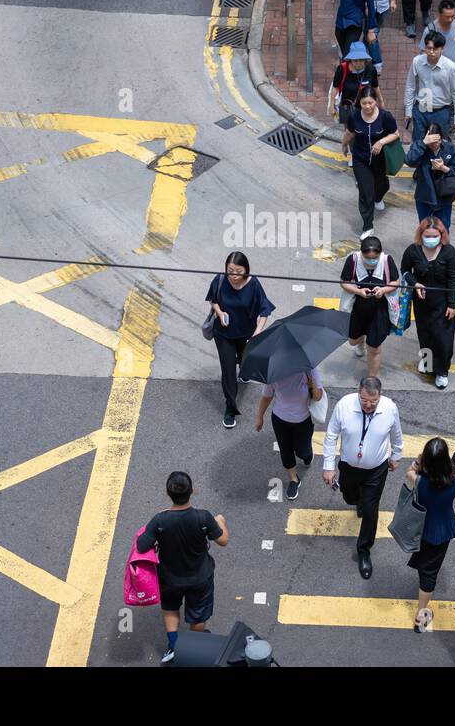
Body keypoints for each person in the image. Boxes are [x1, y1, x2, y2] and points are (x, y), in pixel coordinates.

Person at [136, 471, 229, 665]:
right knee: (199, 614)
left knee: (170, 609)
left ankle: (173, 647)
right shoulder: (204, 518)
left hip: (169, 578)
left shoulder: (159, 520)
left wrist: (156, 526)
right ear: (192, 490)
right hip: (200, 577)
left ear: (167, 493)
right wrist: (221, 522)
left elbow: (142, 546)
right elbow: (223, 540)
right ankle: (193, 650)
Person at [322, 376, 404, 580]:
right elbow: (331, 435)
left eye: (373, 402)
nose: (368, 405)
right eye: (364, 400)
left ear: (380, 396)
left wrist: (396, 456)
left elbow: (396, 434)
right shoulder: (344, 405)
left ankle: (364, 550)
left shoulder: (390, 408)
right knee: (349, 497)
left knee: (370, 511)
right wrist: (329, 467)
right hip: (349, 467)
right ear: (358, 392)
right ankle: (358, 500)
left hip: (376, 470)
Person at [404, 438, 455, 631]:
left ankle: (423, 580)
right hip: (442, 531)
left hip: (420, 528)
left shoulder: (420, 481)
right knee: (430, 574)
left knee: (425, 564)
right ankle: (421, 615)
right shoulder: (454, 482)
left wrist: (417, 462)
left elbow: (409, 472)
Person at [205, 252, 274, 428]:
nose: (234, 275)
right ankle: (230, 407)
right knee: (228, 371)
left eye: (238, 271)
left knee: (244, 360)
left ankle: (241, 365)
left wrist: (258, 331)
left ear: (246, 270)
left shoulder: (253, 284)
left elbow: (264, 310)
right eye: (230, 271)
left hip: (245, 333)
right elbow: (213, 300)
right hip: (223, 334)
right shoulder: (220, 280)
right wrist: (219, 313)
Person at [401, 217, 455, 390]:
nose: (431, 239)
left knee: (443, 338)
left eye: (435, 235)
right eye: (427, 235)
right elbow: (405, 271)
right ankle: (427, 363)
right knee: (425, 334)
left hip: (443, 303)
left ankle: (442, 371)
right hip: (421, 302)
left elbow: (452, 279)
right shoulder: (413, 251)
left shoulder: (449, 252)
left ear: (442, 235)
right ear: (421, 235)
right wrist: (415, 283)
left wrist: (452, 304)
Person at [256, 367, 324, 501]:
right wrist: (260, 417)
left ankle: (307, 454)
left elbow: (318, 397)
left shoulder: (309, 370)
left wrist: (312, 386)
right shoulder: (274, 373)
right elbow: (267, 396)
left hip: (304, 421)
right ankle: (294, 479)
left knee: (302, 452)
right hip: (280, 420)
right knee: (285, 450)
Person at [340, 89, 399, 240]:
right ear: (359, 103)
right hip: (361, 159)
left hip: (379, 160)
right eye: (364, 103)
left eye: (370, 103)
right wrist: (344, 145)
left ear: (376, 102)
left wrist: (381, 141)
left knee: (382, 185)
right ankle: (368, 226)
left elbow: (395, 134)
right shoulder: (354, 116)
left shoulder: (385, 117)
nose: (367, 106)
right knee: (366, 192)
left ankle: (379, 197)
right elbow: (350, 132)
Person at [339, 236, 400, 378]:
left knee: (374, 348)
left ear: (380, 254)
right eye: (367, 257)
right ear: (361, 253)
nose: (371, 261)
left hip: (379, 311)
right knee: (352, 341)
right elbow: (344, 282)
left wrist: (383, 290)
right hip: (357, 309)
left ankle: (371, 380)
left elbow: (396, 281)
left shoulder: (386, 260)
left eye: (375, 258)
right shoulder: (353, 260)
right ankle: (360, 344)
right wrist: (359, 291)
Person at [403, 32, 455, 140]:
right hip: (421, 109)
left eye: (435, 48)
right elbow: (410, 86)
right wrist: (408, 110)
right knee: (418, 143)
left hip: (441, 111)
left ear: (442, 49)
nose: (431, 52)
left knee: (440, 144)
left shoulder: (451, 67)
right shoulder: (417, 62)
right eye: (429, 48)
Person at [405, 122, 455, 229]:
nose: (433, 146)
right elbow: (409, 161)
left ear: (441, 138)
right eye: (430, 143)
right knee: (424, 229)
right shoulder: (420, 146)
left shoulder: (450, 149)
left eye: (436, 142)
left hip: (444, 197)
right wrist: (423, 144)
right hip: (424, 197)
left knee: (443, 229)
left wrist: (443, 168)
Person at [327, 41, 381, 128]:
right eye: (355, 60)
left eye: (361, 60)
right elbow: (335, 87)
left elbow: (375, 87)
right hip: (348, 109)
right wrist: (331, 106)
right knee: (350, 132)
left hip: (367, 109)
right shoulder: (342, 69)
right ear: (350, 59)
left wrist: (381, 102)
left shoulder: (371, 70)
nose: (358, 63)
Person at [418, 0, 455, 74]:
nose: (450, 19)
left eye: (452, 16)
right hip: (436, 73)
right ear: (439, 14)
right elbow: (423, 52)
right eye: (447, 17)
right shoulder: (430, 29)